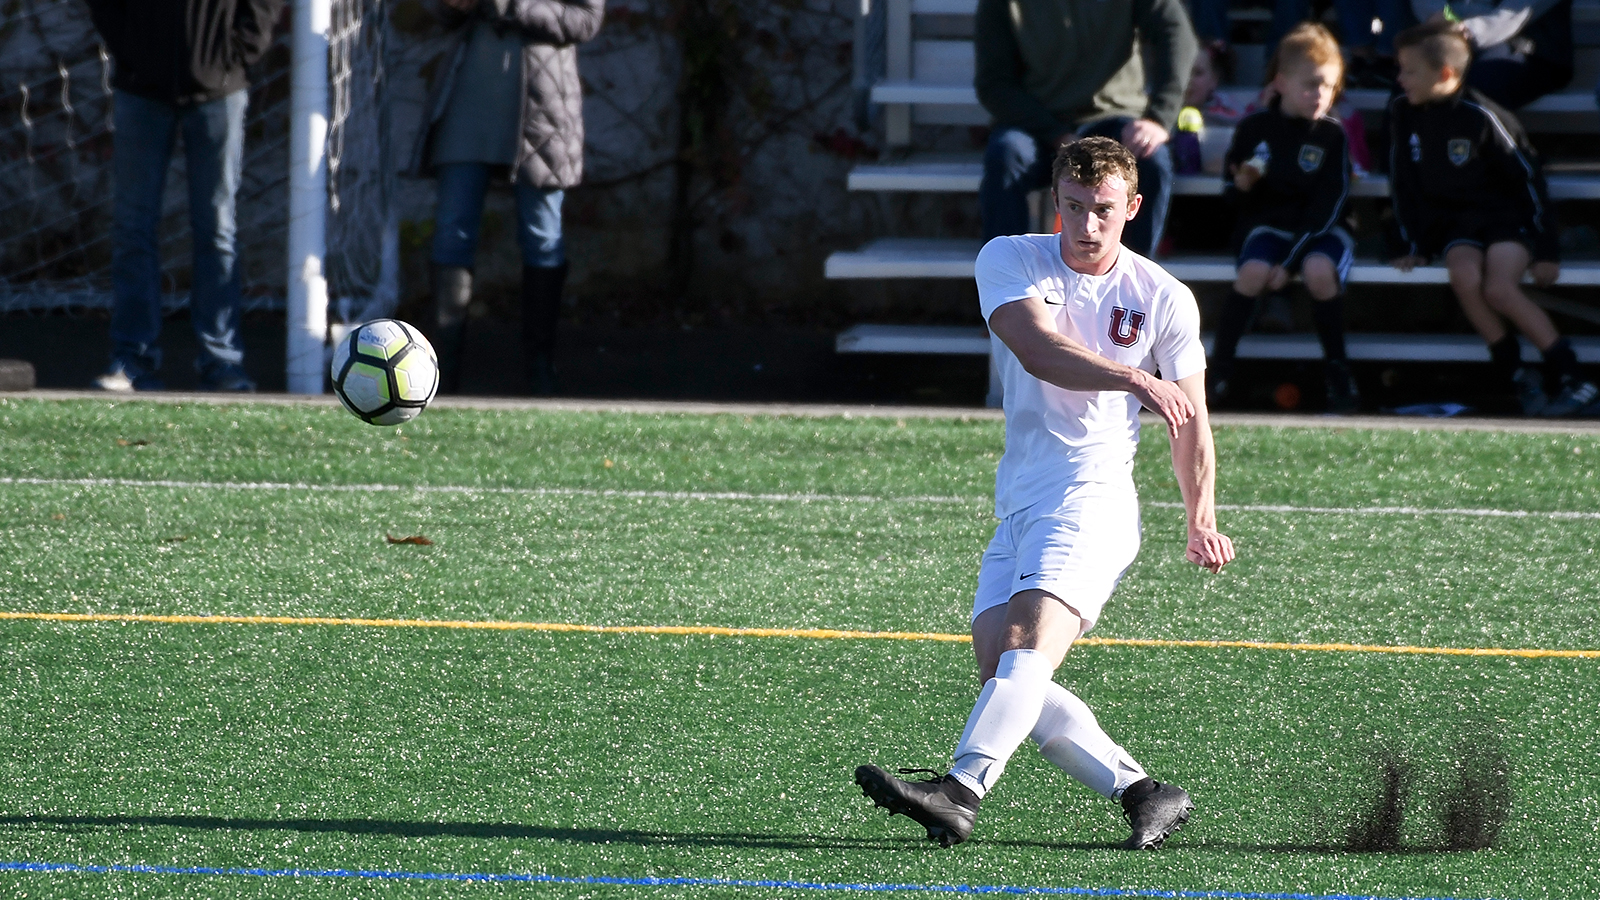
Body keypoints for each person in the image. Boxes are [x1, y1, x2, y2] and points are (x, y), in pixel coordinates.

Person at [855, 137, 1236, 851]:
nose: (1087, 226)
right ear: (1053, 201)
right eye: (1072, 207)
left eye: (1102, 210)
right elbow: (1034, 347)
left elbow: (1191, 422)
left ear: (1133, 207)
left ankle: (960, 791)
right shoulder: (1010, 257)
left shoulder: (1163, 298)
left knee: (1028, 648)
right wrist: (1133, 377)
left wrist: (1200, 518)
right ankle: (1145, 792)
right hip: (1021, 500)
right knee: (1004, 675)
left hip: (1094, 500)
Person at [1388, 20, 1597, 416]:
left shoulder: (1483, 116)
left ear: (1444, 74)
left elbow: (1530, 181)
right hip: (1456, 226)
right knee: (1464, 276)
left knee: (1499, 289)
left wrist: (1546, 248)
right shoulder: (1403, 112)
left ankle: (1573, 376)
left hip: (1504, 220)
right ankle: (1518, 375)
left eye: (1409, 71)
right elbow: (1404, 184)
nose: (1400, 79)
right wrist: (1409, 244)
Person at [407, 0, 604, 394]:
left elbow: (584, 20)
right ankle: (441, 374)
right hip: (469, 100)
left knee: (542, 236)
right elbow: (440, 13)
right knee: (452, 231)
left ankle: (540, 368)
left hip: (542, 109)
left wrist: (513, 5)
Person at [86, 0, 284, 392]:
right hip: (139, 89)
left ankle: (222, 362)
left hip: (219, 88)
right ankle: (132, 360)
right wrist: (133, 53)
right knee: (132, 229)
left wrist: (236, 54)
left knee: (217, 230)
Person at [1208, 23, 1359, 413]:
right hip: (1269, 228)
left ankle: (1338, 372)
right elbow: (1233, 198)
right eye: (1310, 85)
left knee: (1319, 270)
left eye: (1328, 86)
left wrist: (1289, 262)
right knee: (1253, 272)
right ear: (1281, 83)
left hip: (1320, 231)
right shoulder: (1255, 128)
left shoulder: (1332, 136)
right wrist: (1240, 186)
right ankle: (1218, 372)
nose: (1320, 95)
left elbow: (1330, 206)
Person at [974, 0, 1197, 256]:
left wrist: (1159, 118)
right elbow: (994, 84)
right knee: (1005, 155)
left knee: (1151, 160)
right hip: (1036, 124)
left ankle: (1131, 284)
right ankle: (1006, 280)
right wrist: (1056, 134)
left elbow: (1176, 31)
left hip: (1113, 117)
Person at [1411, 0, 1572, 110]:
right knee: (1412, 83)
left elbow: (1517, 12)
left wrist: (1468, 29)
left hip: (1527, 44)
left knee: (1475, 92)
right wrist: (1445, 19)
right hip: (1445, 33)